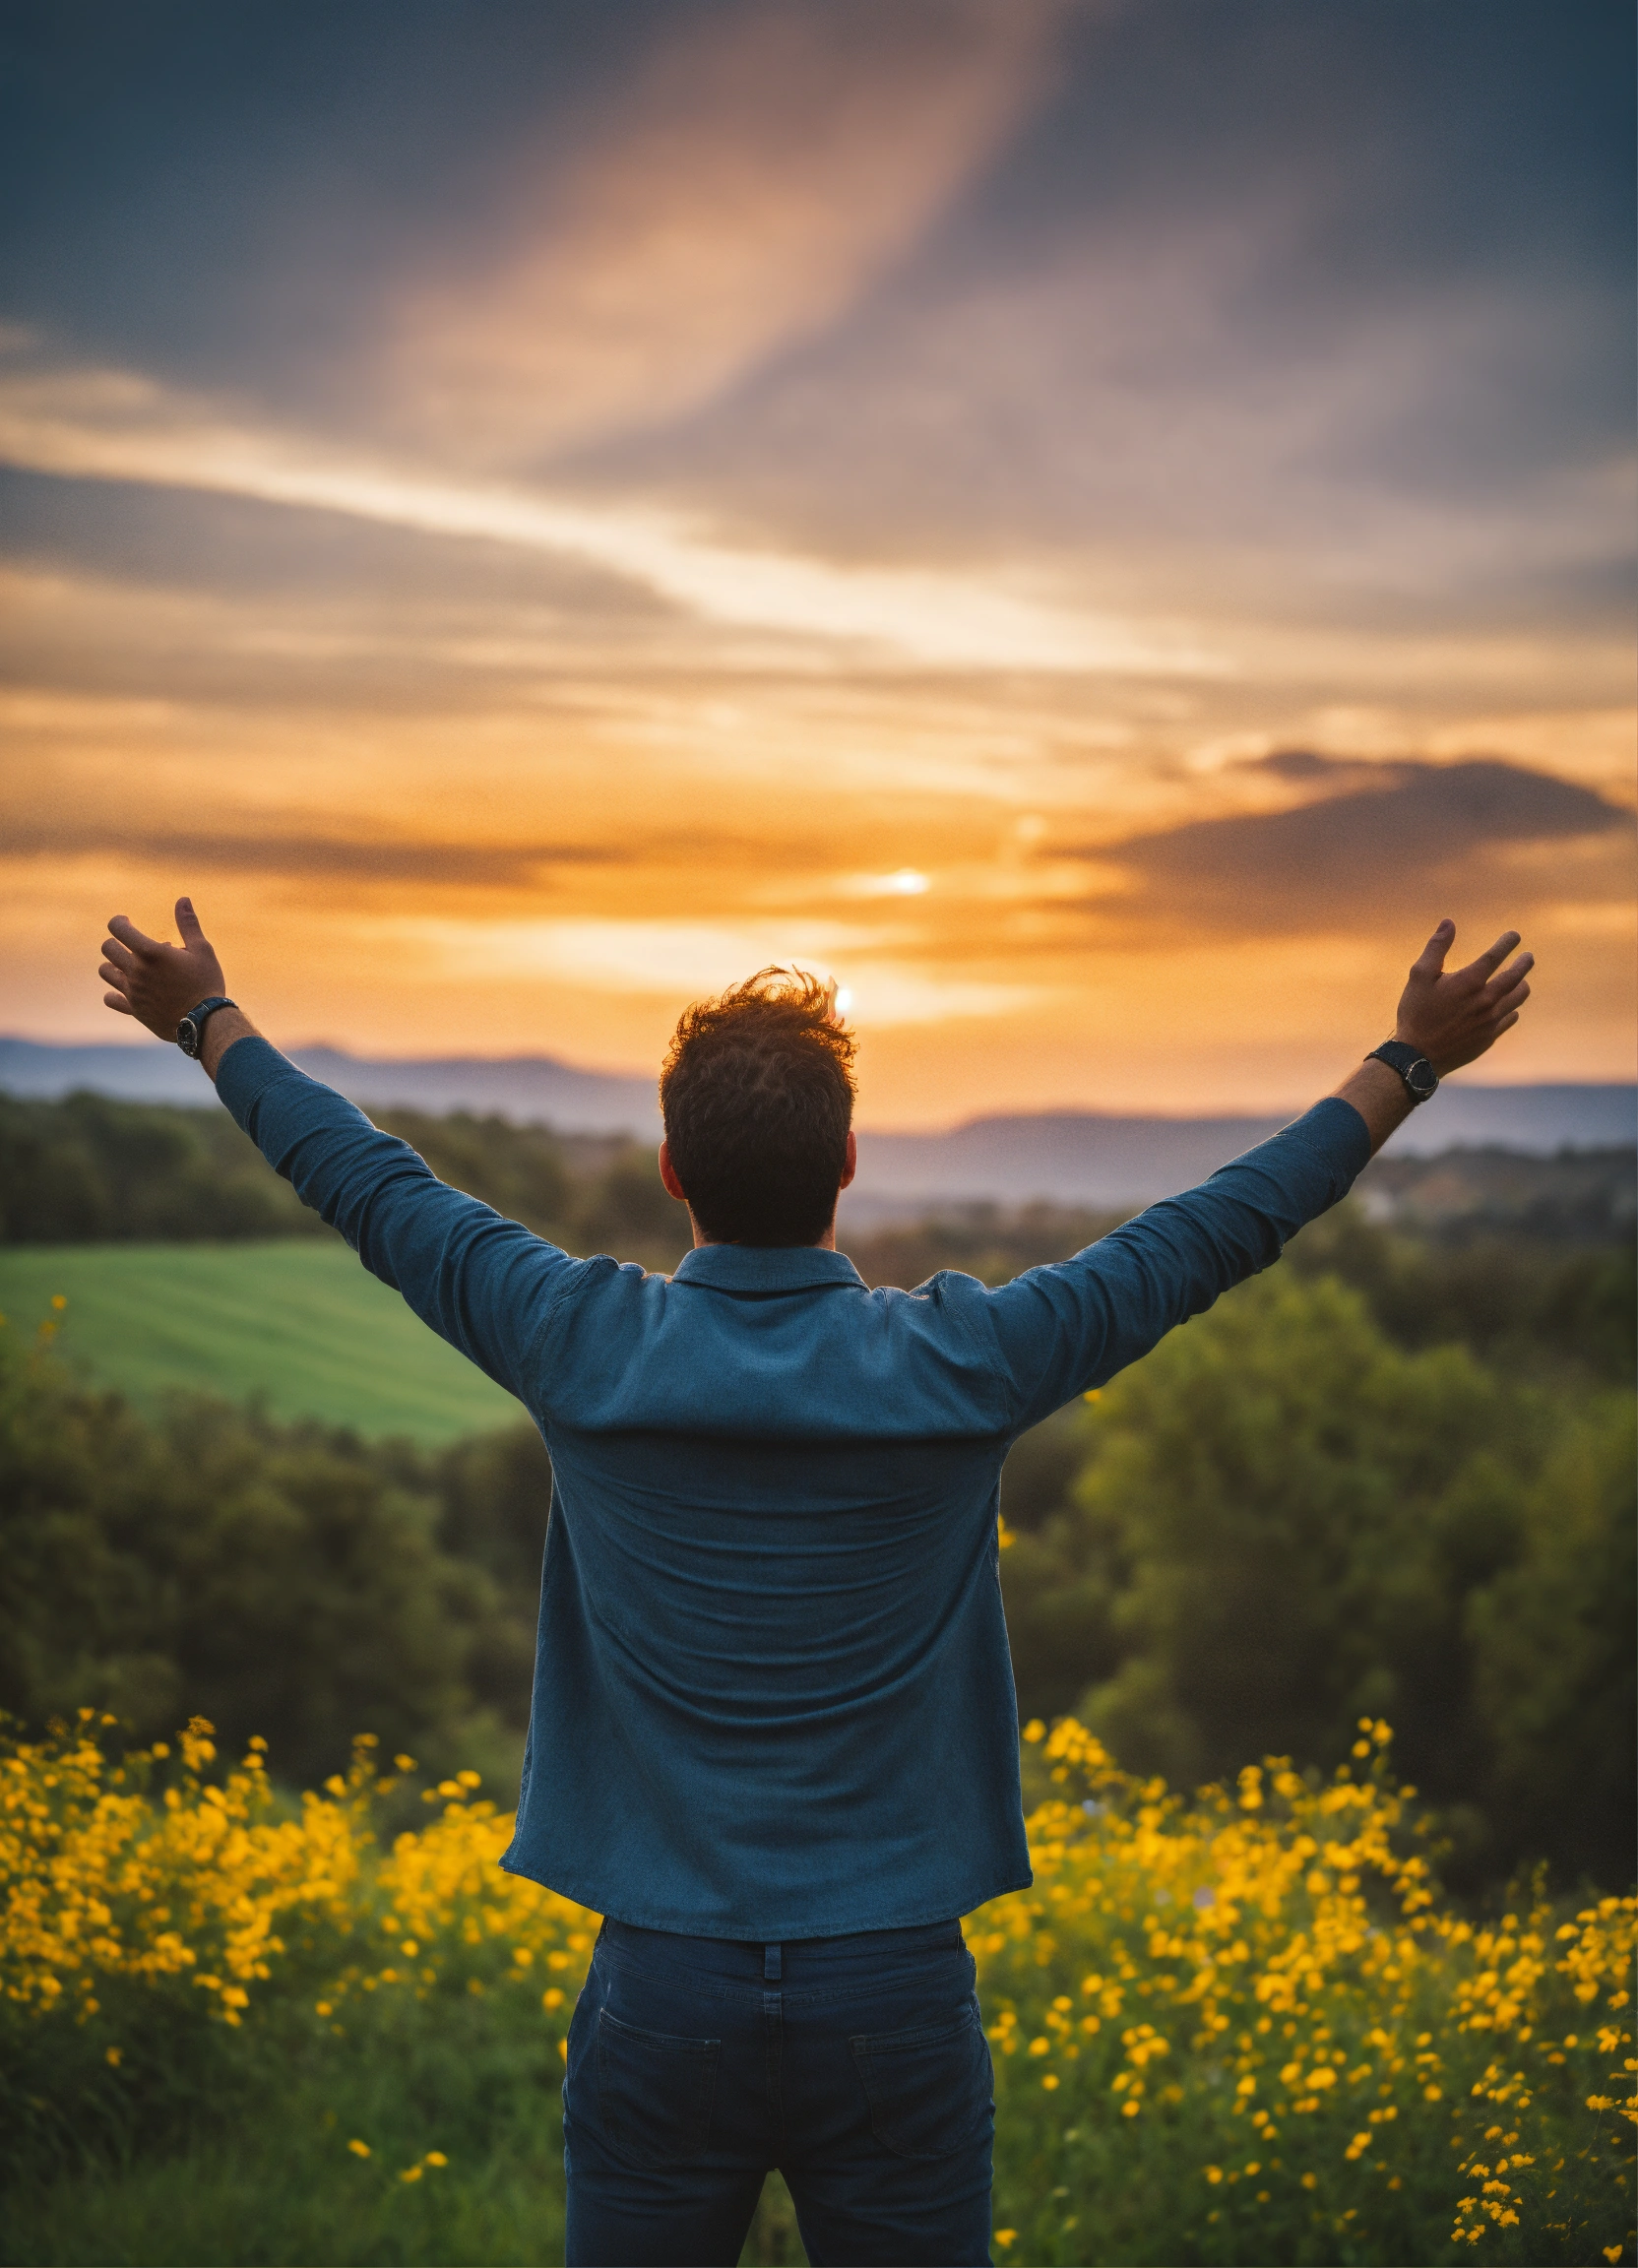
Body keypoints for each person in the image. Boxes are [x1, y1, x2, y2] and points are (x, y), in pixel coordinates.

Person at [97, 898, 1532, 2268]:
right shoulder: (964, 1365)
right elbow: (1211, 1232)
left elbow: (365, 1181)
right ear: (850, 1165)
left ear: (672, 1169)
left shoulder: (574, 1338)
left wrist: (206, 1018)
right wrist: (1405, 1062)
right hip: (892, 1990)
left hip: (661, 1989)